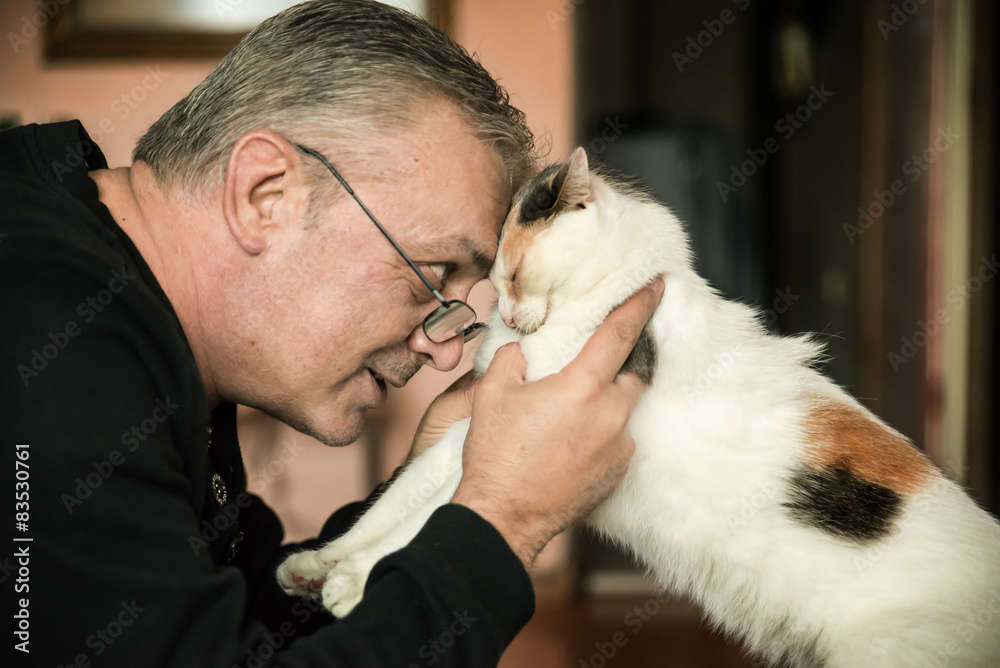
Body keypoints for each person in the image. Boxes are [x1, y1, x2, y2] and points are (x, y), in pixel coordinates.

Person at [0, 1, 662, 665]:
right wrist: (503, 520)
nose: (447, 348)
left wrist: (438, 494)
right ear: (267, 195)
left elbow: (254, 626)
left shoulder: (123, 304)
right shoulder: (46, 335)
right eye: (435, 271)